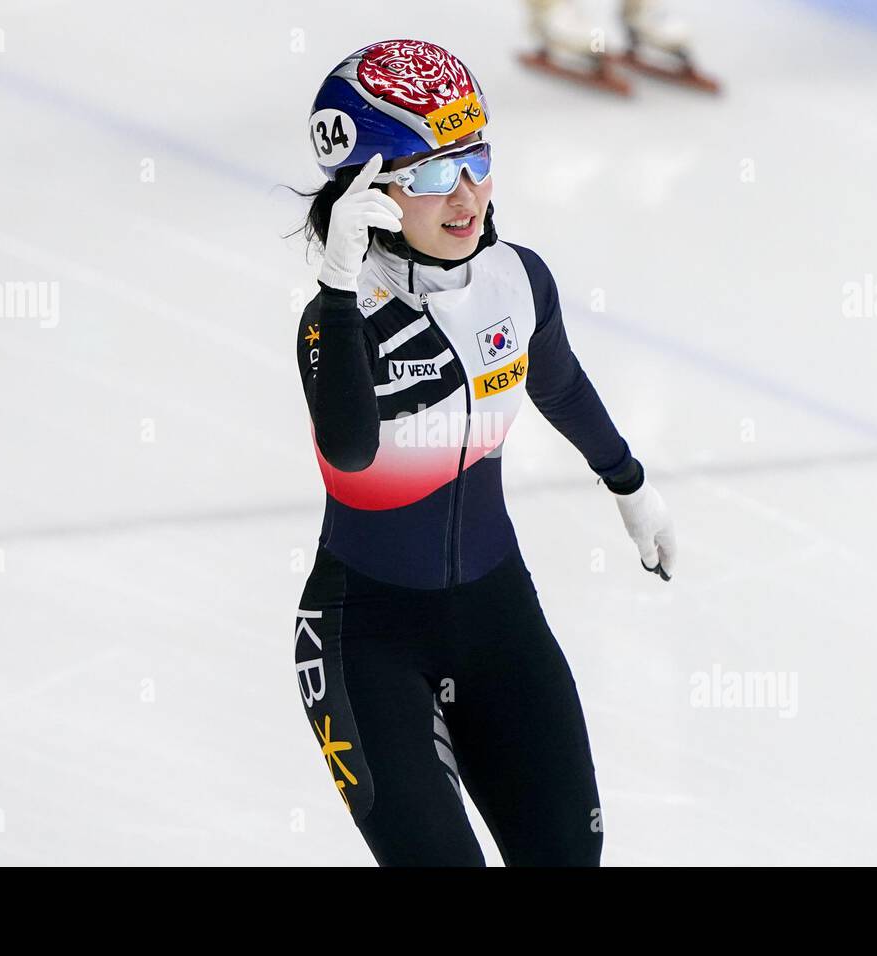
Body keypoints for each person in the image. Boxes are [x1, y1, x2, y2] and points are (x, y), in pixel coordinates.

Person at [291, 38, 677, 866]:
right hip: (366, 641)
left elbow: (561, 386)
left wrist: (629, 484)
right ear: (372, 193)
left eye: (476, 160)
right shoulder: (339, 320)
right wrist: (334, 284)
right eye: (431, 174)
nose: (466, 196)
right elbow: (351, 448)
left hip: (497, 620)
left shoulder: (517, 280)